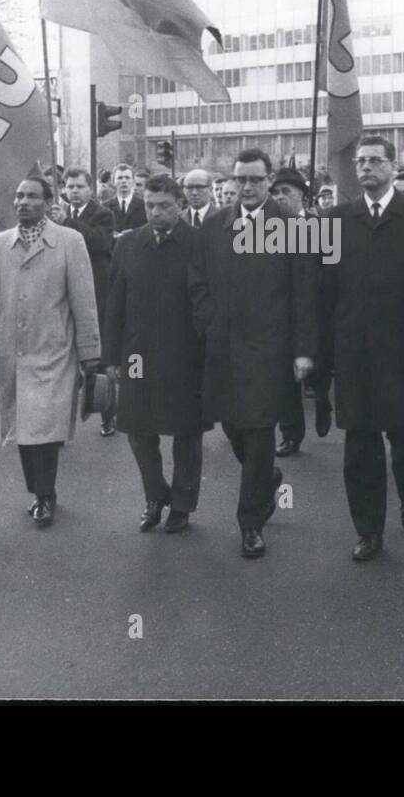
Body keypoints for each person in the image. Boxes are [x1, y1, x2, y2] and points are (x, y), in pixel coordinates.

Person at [190, 148, 318, 558]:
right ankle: (267, 478)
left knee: (260, 430)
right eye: (240, 180)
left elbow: (305, 293)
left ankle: (251, 523)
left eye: (255, 180)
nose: (246, 187)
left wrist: (303, 351)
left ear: (269, 182)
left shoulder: (291, 227)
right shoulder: (214, 225)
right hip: (224, 348)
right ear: (229, 182)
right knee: (234, 428)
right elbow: (197, 282)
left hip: (270, 349)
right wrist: (208, 321)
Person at [320, 135, 404, 561]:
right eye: (360, 162)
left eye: (375, 161)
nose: (366, 168)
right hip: (353, 351)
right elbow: (324, 288)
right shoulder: (336, 218)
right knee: (359, 444)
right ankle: (369, 530)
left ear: (393, 167)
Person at [0, 177, 100, 526]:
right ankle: (37, 490)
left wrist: (90, 351)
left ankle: (45, 495)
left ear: (48, 202)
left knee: (44, 428)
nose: (23, 202)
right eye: (19, 196)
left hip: (54, 349)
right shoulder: (0, 244)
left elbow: (84, 299)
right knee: (23, 426)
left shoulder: (70, 241)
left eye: (32, 196)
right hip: (13, 352)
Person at [104, 175, 206, 533]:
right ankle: (155, 495)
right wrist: (112, 357)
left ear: (179, 204)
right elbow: (114, 302)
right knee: (136, 427)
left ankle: (182, 504)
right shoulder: (129, 244)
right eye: (150, 205)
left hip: (185, 353)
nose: (156, 212)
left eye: (164, 205)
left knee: (186, 433)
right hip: (137, 353)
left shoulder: (198, 242)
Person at [269, 166, 331, 457]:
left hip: (320, 310)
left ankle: (322, 399)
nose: (280, 198)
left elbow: (334, 271)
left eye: (286, 192)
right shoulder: (269, 231)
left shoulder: (322, 228)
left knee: (318, 369)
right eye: (276, 192)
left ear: (303, 198)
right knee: (285, 376)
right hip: (285, 312)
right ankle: (291, 434)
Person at [61, 168, 118, 435]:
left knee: (100, 359)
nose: (74, 191)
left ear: (90, 189)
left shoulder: (103, 214)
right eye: (70, 187)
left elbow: (98, 242)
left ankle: (109, 414)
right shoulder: (58, 215)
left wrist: (67, 223)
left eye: (79, 187)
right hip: (66, 291)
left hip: (96, 292)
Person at [107, 164, 146, 235]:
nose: (124, 181)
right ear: (113, 182)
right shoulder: (105, 207)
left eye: (127, 178)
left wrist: (133, 233)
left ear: (133, 181)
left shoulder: (144, 205)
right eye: (120, 178)